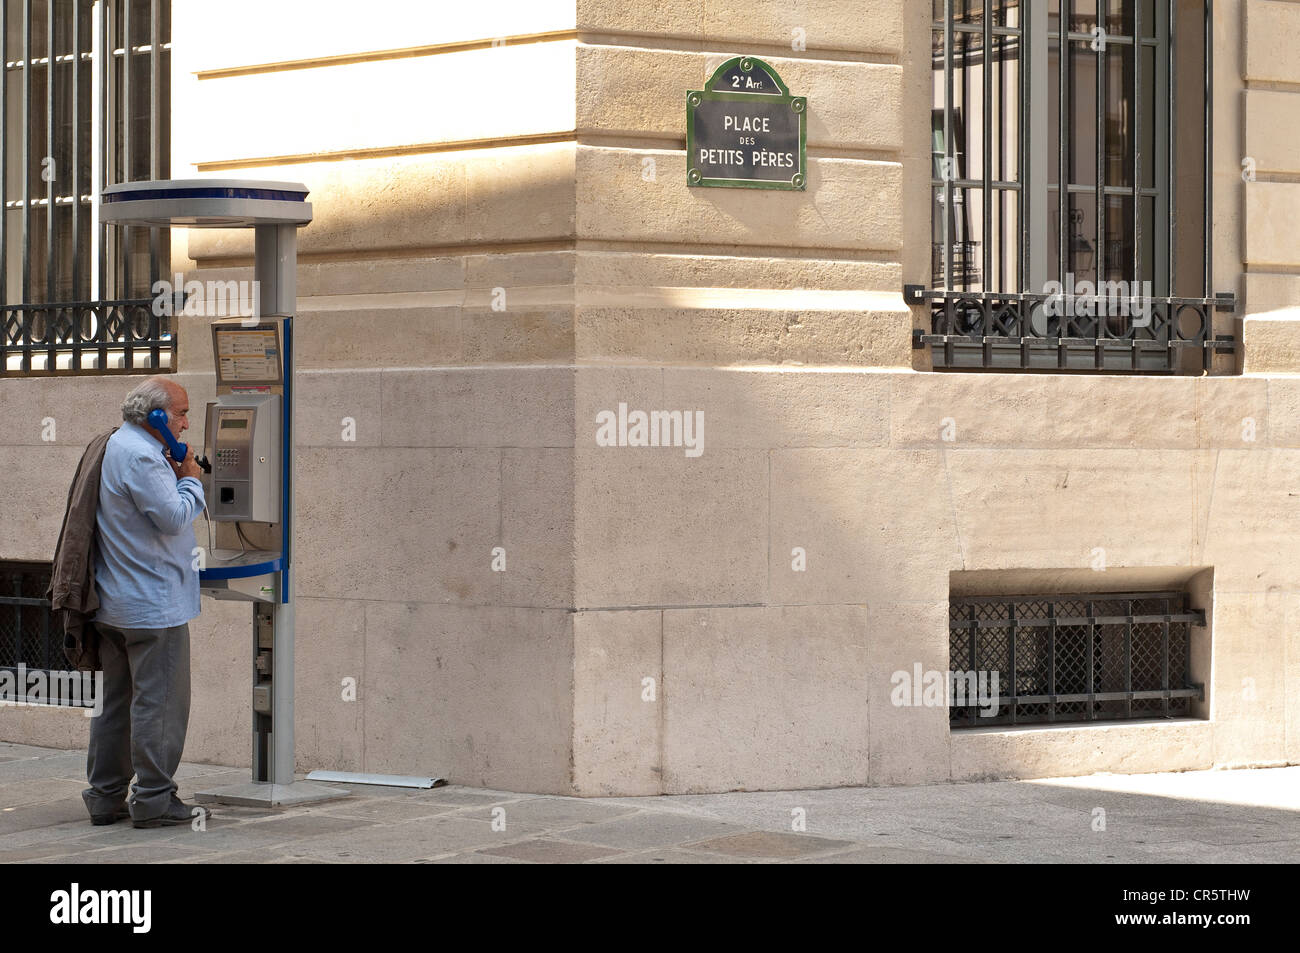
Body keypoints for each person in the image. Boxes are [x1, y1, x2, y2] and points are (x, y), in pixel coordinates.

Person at [83, 376, 213, 829]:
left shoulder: (115, 444)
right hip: (154, 605)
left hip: (114, 601)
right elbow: (173, 517)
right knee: (158, 704)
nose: (185, 422)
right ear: (155, 415)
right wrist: (192, 480)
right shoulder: (143, 455)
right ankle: (155, 799)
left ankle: (105, 797)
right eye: (180, 412)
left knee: (115, 703)